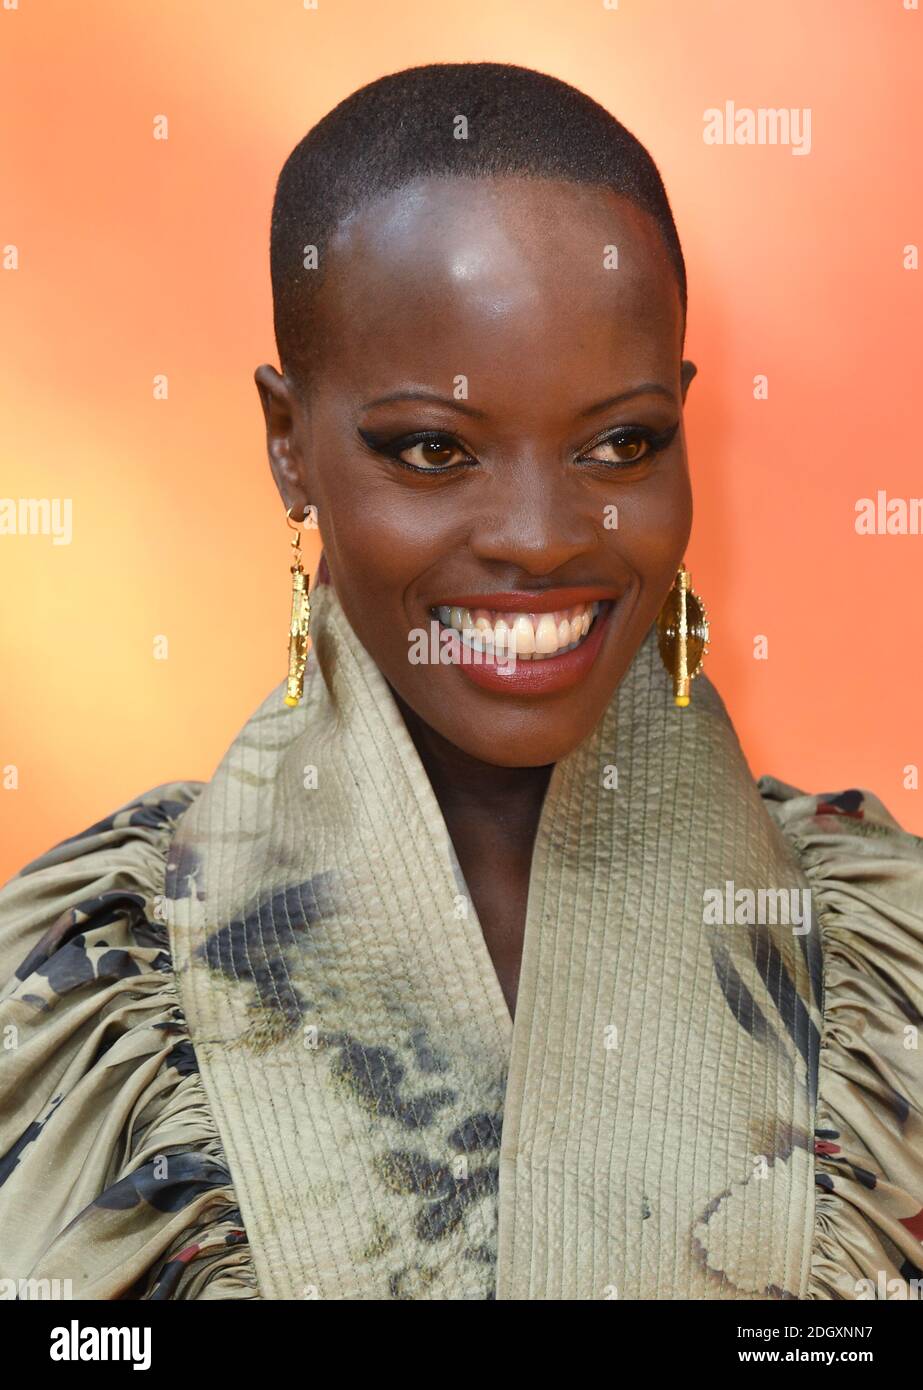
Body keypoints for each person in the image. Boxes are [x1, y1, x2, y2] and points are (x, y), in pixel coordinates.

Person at [1, 62, 921, 1302]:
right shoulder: (72, 991)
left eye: (619, 442)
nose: (540, 536)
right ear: (289, 444)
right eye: (433, 449)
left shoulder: (890, 963)